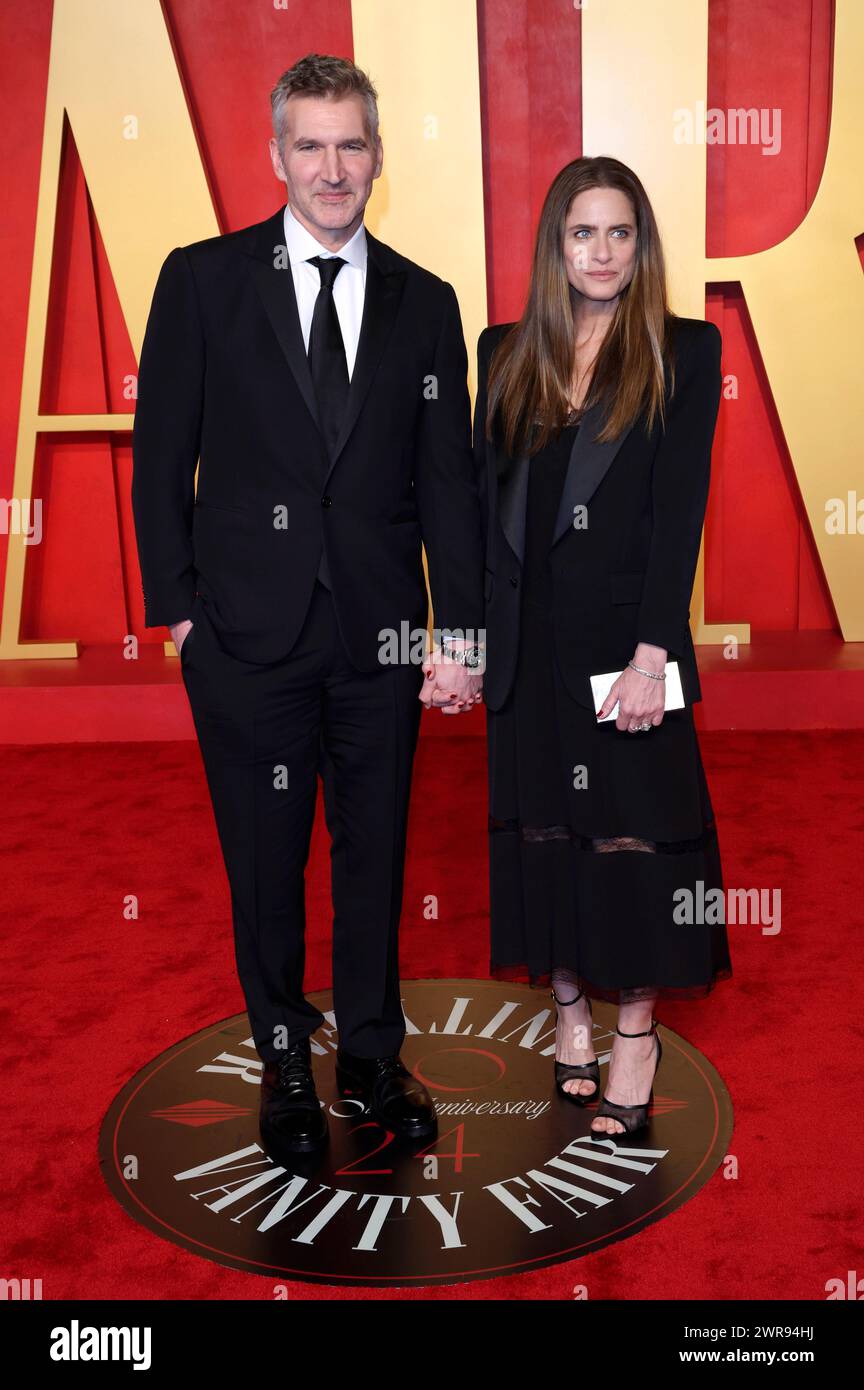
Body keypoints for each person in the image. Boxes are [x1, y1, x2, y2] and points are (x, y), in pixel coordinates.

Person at [131, 54, 483, 1156]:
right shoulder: (201, 280)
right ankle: (284, 1062)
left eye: (352, 144)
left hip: (378, 639)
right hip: (243, 639)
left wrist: (457, 633)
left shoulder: (427, 304)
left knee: (376, 853)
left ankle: (372, 1056)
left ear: (378, 154)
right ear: (276, 154)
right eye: (312, 145)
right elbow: (158, 463)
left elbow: (449, 488)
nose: (334, 168)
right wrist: (182, 617)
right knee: (264, 860)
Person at [473, 155, 732, 1139]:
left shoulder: (683, 350)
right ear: (555, 244)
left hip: (626, 648)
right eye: (583, 232)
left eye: (621, 232)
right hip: (528, 647)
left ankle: (636, 1030)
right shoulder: (502, 349)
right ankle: (570, 1014)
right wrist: (463, 634)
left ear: (641, 244)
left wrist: (655, 653)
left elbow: (680, 518)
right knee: (549, 833)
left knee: (638, 837)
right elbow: (477, 507)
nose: (602, 251)